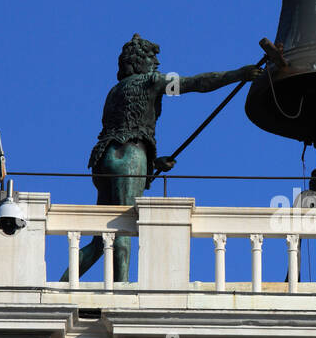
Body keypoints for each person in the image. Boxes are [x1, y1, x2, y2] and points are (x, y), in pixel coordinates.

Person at [70, 34, 260, 282]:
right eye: (151, 58)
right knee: (125, 224)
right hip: (131, 155)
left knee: (99, 240)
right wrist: (239, 74)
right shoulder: (153, 82)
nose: (157, 64)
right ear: (139, 61)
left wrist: (153, 163)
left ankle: (61, 284)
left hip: (103, 159)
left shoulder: (114, 91)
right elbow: (197, 83)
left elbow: (125, 126)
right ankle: (122, 286)